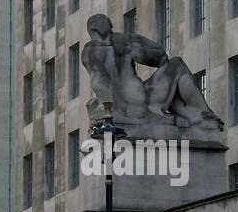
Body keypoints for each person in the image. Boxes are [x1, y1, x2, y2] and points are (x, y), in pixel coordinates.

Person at [81, 14, 223, 131]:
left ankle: (198, 116)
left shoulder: (119, 42)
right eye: (106, 21)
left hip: (134, 104)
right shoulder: (93, 50)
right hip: (140, 106)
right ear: (95, 27)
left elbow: (161, 57)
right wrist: (106, 109)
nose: (111, 25)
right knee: (177, 65)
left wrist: (137, 49)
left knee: (174, 77)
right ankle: (203, 114)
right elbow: (99, 81)